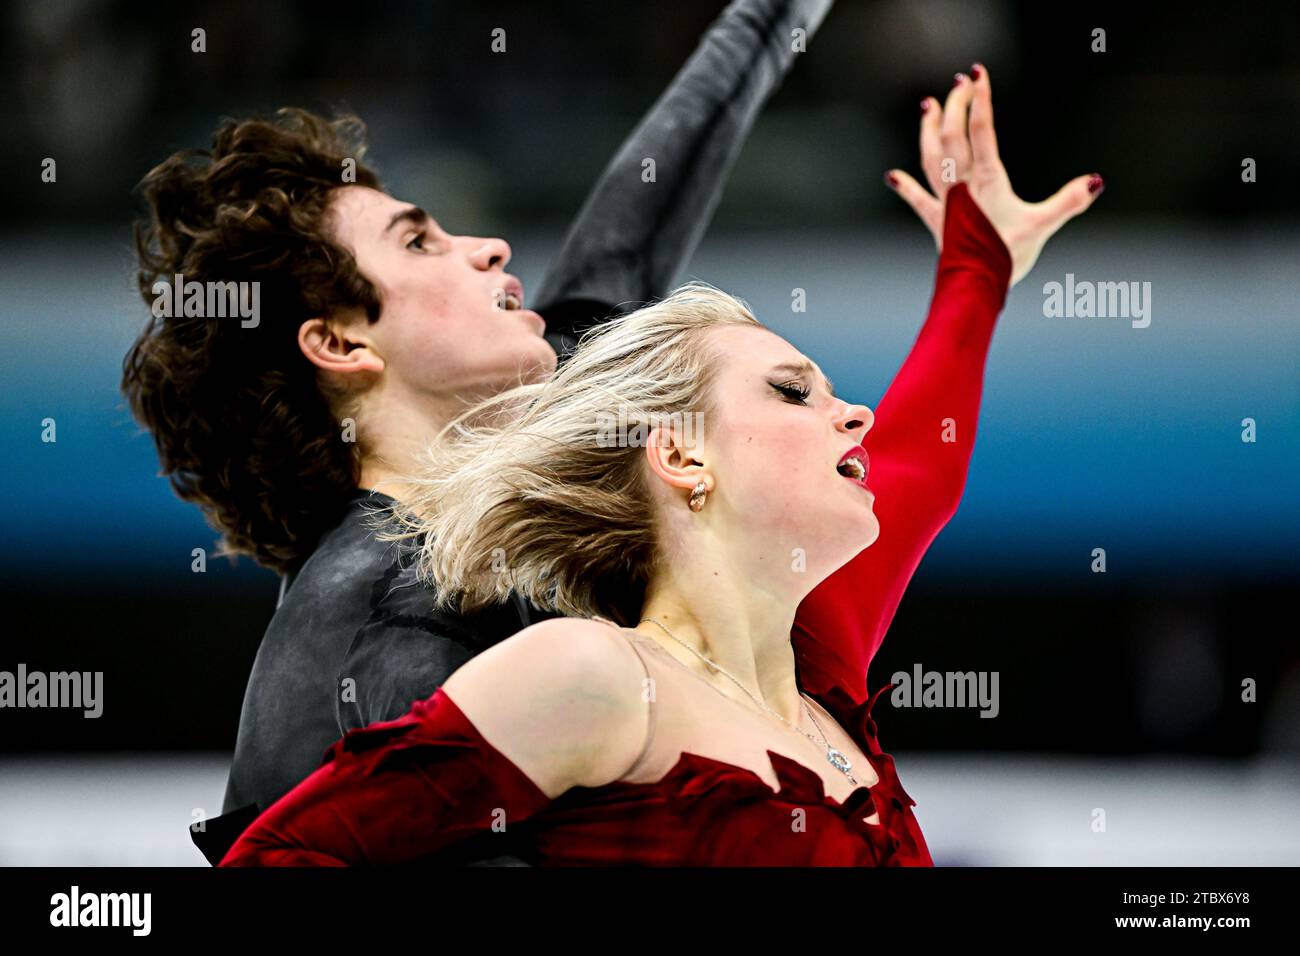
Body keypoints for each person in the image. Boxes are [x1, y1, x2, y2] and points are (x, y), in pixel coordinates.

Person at [220, 64, 1103, 866]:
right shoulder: (593, 678)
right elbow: (280, 857)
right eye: (793, 392)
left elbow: (915, 469)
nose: (856, 416)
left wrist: (976, 268)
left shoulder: (820, 687)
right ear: (680, 452)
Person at [120, 0, 842, 862]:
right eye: (420, 244)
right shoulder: (372, 614)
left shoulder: (549, 434)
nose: (490, 247)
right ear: (342, 342)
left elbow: (645, 214)